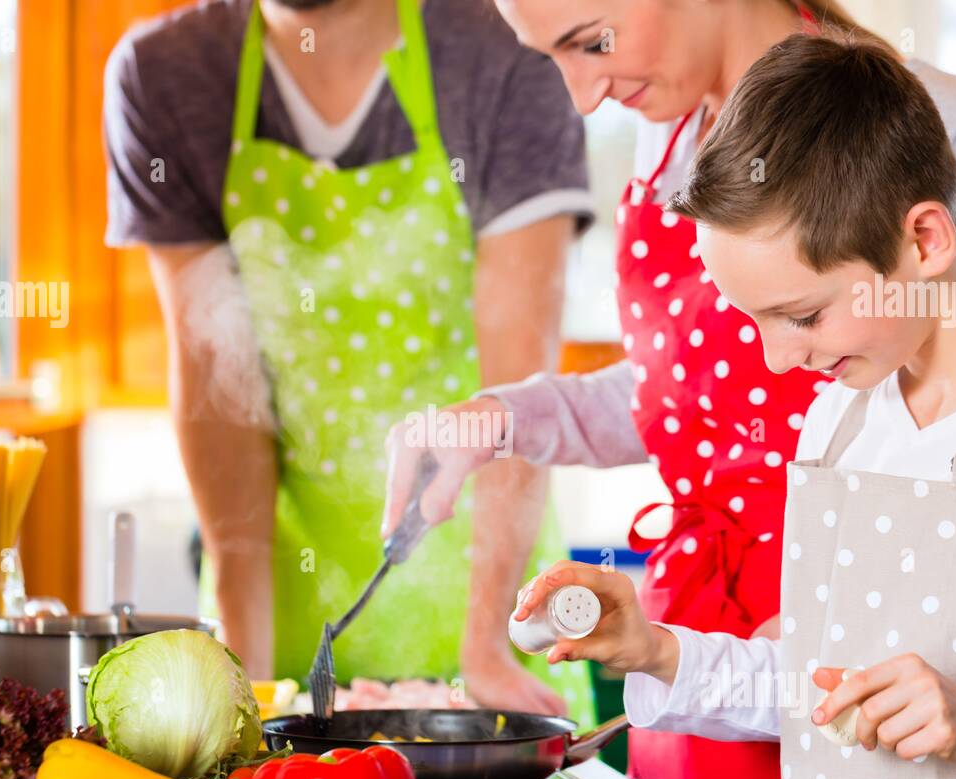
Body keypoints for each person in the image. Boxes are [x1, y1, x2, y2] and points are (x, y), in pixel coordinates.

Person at [383, 0, 956, 779]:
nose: (772, 364)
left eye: (801, 315)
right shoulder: (846, 415)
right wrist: (655, 650)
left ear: (925, 238)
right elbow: (811, 679)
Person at [103, 0, 599, 722]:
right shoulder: (168, 74)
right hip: (281, 613)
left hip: (495, 604)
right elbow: (219, 386)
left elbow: (516, 388)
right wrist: (250, 688)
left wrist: (486, 648)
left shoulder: (507, 53)